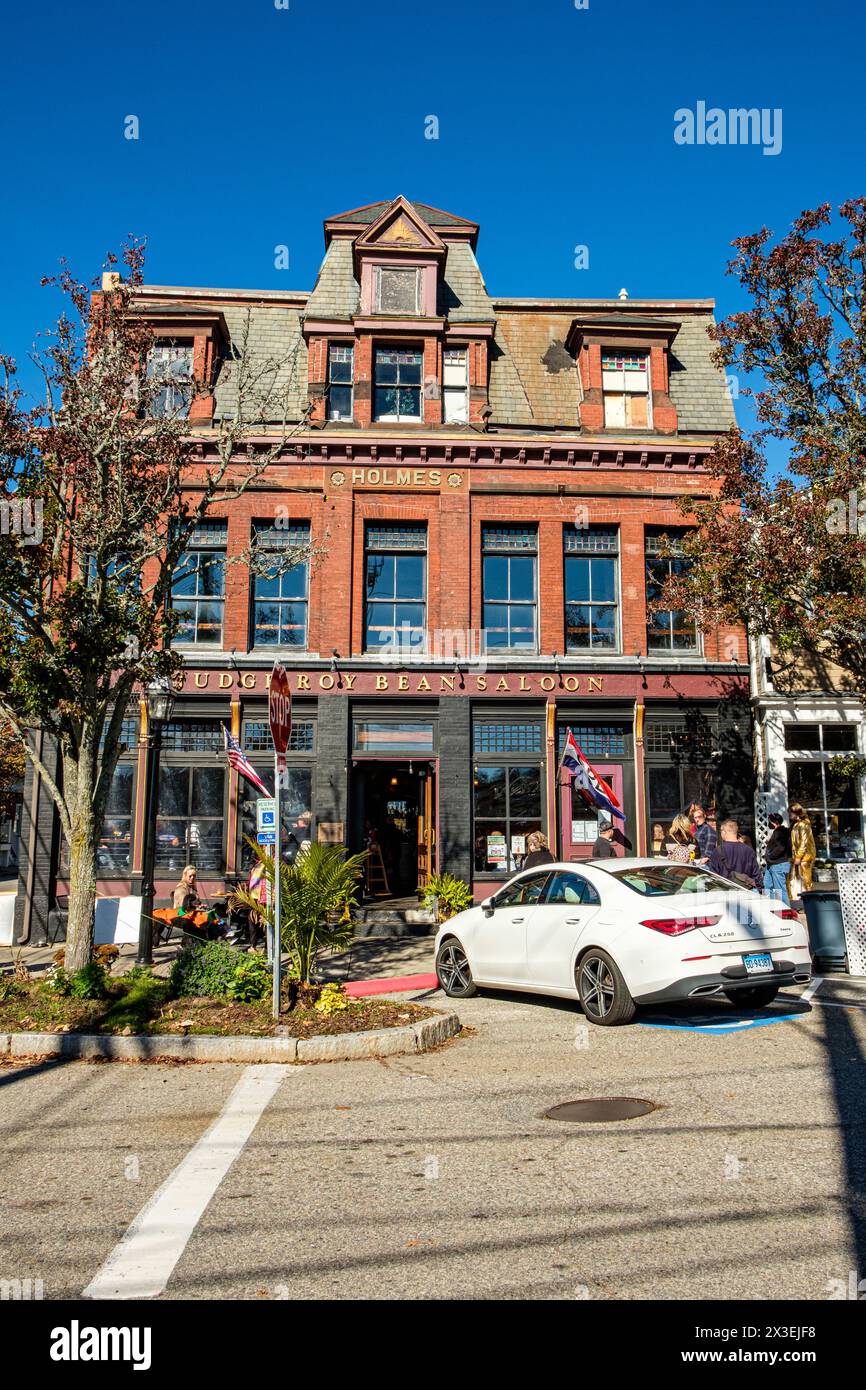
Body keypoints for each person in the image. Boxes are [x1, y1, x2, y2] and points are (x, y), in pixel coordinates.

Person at [707, 819, 762, 890]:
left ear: (724, 832)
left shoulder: (717, 851)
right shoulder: (749, 850)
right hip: (746, 891)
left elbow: (713, 875)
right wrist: (760, 890)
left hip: (726, 891)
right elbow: (756, 874)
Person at [763, 812, 792, 905]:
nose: (768, 824)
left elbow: (781, 847)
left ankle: (785, 913)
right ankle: (769, 908)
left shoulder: (781, 832)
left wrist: (770, 856)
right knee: (767, 886)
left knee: (780, 890)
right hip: (772, 864)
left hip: (778, 864)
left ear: (774, 822)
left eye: (770, 821)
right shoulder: (778, 832)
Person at [789, 803, 817, 896]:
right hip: (799, 857)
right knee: (797, 879)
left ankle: (809, 900)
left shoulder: (803, 824)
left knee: (806, 880)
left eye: (791, 813)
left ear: (796, 812)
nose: (789, 815)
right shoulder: (797, 824)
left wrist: (798, 856)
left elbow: (803, 842)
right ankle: (799, 901)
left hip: (805, 857)